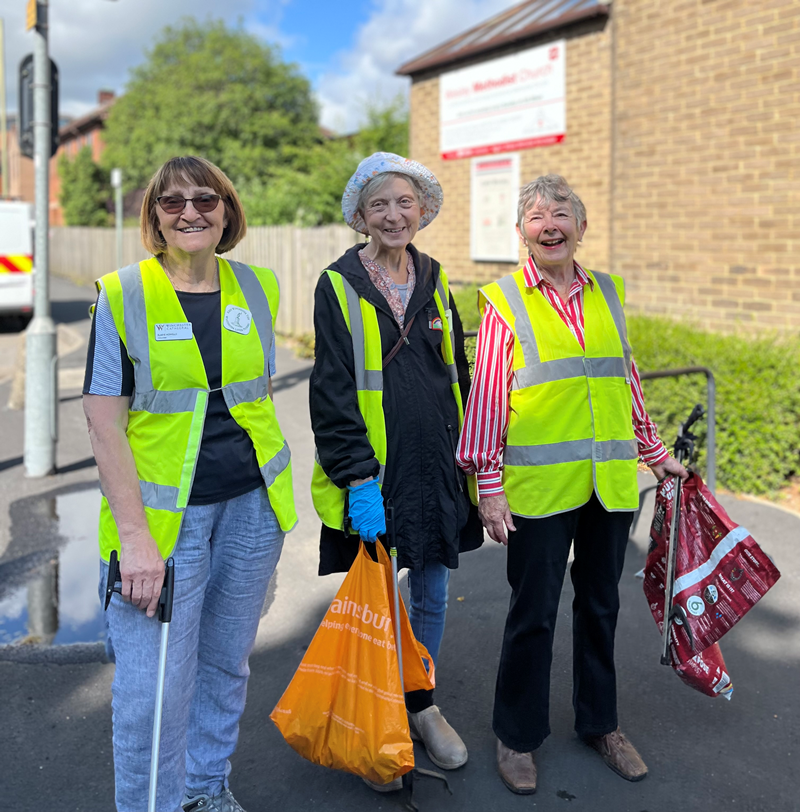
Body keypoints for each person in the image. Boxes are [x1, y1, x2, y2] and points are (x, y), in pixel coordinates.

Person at [457, 174, 688, 794]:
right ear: (521, 233)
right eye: (536, 216)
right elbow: (486, 396)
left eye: (562, 214)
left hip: (608, 485)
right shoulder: (505, 299)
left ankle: (601, 725)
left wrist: (655, 452)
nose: (550, 224)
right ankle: (517, 736)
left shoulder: (607, 293)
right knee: (532, 615)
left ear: (581, 227)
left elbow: (624, 378)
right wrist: (488, 481)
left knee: (601, 607)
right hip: (537, 488)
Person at [83, 156, 296, 812]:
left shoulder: (258, 287)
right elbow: (102, 420)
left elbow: (253, 399)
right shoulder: (122, 293)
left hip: (254, 509)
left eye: (205, 199)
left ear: (227, 209)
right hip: (163, 524)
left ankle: (205, 790)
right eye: (172, 203)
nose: (190, 211)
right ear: (153, 218)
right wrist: (136, 541)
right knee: (153, 695)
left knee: (226, 667)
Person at [309, 152, 483, 792]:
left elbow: (456, 375)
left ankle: (421, 705)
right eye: (378, 204)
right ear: (360, 215)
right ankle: (378, 717)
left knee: (432, 592)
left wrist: (471, 459)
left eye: (404, 202)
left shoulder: (436, 280)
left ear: (422, 211)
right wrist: (356, 477)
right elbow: (329, 390)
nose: (392, 214)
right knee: (378, 603)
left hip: (435, 464)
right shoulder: (336, 284)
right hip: (375, 475)